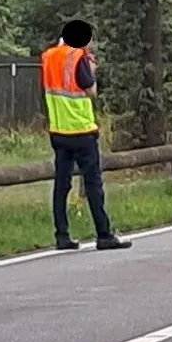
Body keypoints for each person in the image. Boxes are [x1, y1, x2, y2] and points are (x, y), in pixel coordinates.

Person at [42, 20, 131, 251]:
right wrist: (91, 70)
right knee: (93, 183)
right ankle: (104, 234)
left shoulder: (49, 57)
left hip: (58, 130)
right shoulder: (77, 56)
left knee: (62, 184)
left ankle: (62, 235)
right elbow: (90, 90)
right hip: (82, 130)